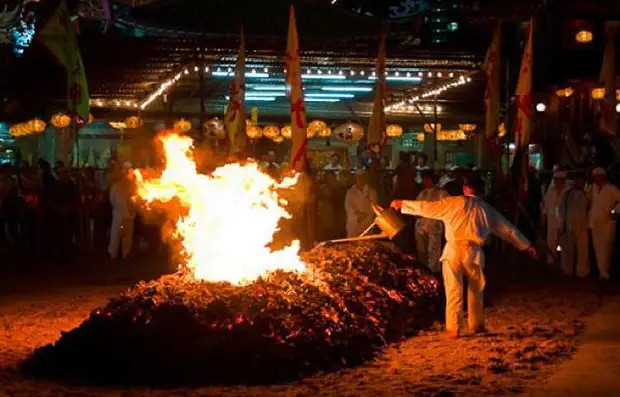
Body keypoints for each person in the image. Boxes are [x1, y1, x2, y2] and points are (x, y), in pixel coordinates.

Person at [391, 176, 537, 338]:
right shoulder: (486, 209)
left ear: (465, 189)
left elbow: (427, 208)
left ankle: (454, 328)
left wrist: (402, 204)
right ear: (481, 191)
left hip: (453, 250)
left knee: (453, 290)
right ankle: (476, 325)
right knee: (476, 289)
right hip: (473, 252)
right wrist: (526, 245)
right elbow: (508, 230)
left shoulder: (452, 203)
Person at [589, 167, 620, 280]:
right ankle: (602, 272)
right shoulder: (593, 188)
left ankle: (605, 272)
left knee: (606, 247)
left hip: (607, 222)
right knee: (598, 248)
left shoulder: (611, 189)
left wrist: (615, 211)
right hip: (594, 222)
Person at [415, 169, 448, 273]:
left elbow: (445, 210)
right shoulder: (422, 193)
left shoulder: (442, 194)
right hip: (421, 228)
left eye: (426, 179)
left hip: (434, 227)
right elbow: (416, 207)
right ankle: (423, 272)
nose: (424, 182)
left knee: (433, 252)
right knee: (422, 252)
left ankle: (433, 273)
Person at [558, 171, 589, 277]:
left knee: (583, 250)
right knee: (568, 250)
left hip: (583, 226)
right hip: (569, 225)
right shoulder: (567, 194)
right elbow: (561, 210)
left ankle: (582, 272)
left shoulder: (587, 195)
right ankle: (567, 271)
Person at [109, 163, 136, 260]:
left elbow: (134, 200)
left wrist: (132, 210)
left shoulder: (131, 187)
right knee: (116, 235)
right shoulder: (116, 187)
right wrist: (119, 209)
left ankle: (126, 254)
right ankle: (113, 254)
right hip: (119, 216)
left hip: (129, 216)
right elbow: (112, 200)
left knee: (127, 237)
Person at [542, 169, 567, 265]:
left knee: (563, 242)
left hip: (563, 221)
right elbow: (545, 206)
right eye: (556, 179)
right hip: (552, 220)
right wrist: (543, 217)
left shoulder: (567, 191)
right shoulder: (550, 191)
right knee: (551, 240)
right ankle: (551, 260)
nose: (557, 181)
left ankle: (564, 262)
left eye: (559, 179)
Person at [345, 170, 378, 237]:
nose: (360, 179)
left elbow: (374, 206)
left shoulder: (372, 191)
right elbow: (347, 205)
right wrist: (357, 214)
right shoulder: (350, 192)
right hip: (353, 224)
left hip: (366, 223)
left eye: (362, 177)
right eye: (358, 177)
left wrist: (365, 215)